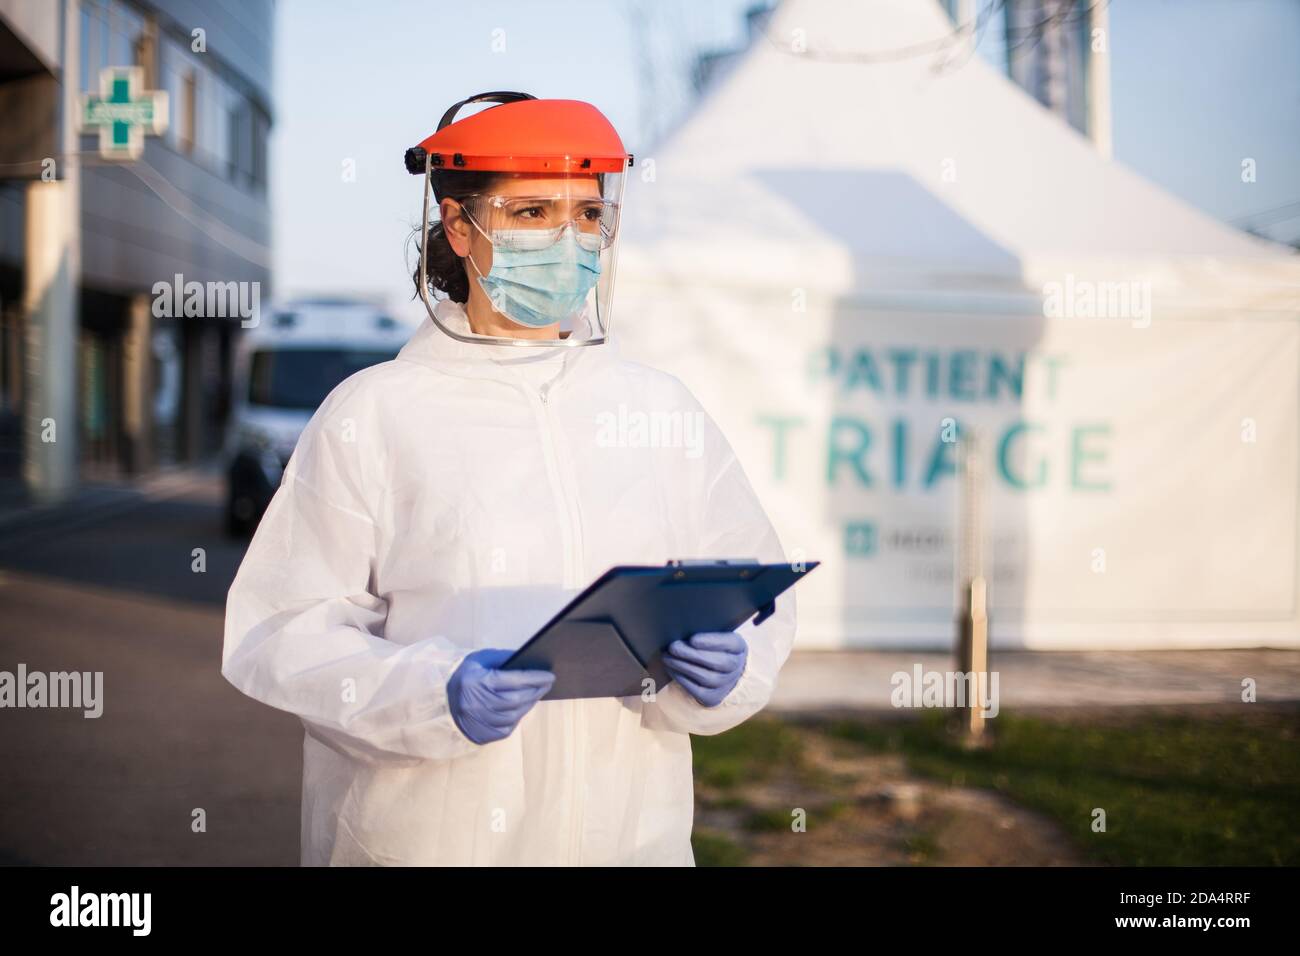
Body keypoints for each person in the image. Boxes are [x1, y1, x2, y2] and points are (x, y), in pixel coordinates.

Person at [222, 91, 797, 866]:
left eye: (588, 214)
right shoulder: (378, 412)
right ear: (460, 226)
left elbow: (748, 589)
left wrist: (731, 662)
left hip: (628, 839)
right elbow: (281, 630)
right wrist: (433, 693)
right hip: (427, 840)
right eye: (532, 213)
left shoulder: (660, 409)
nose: (568, 239)